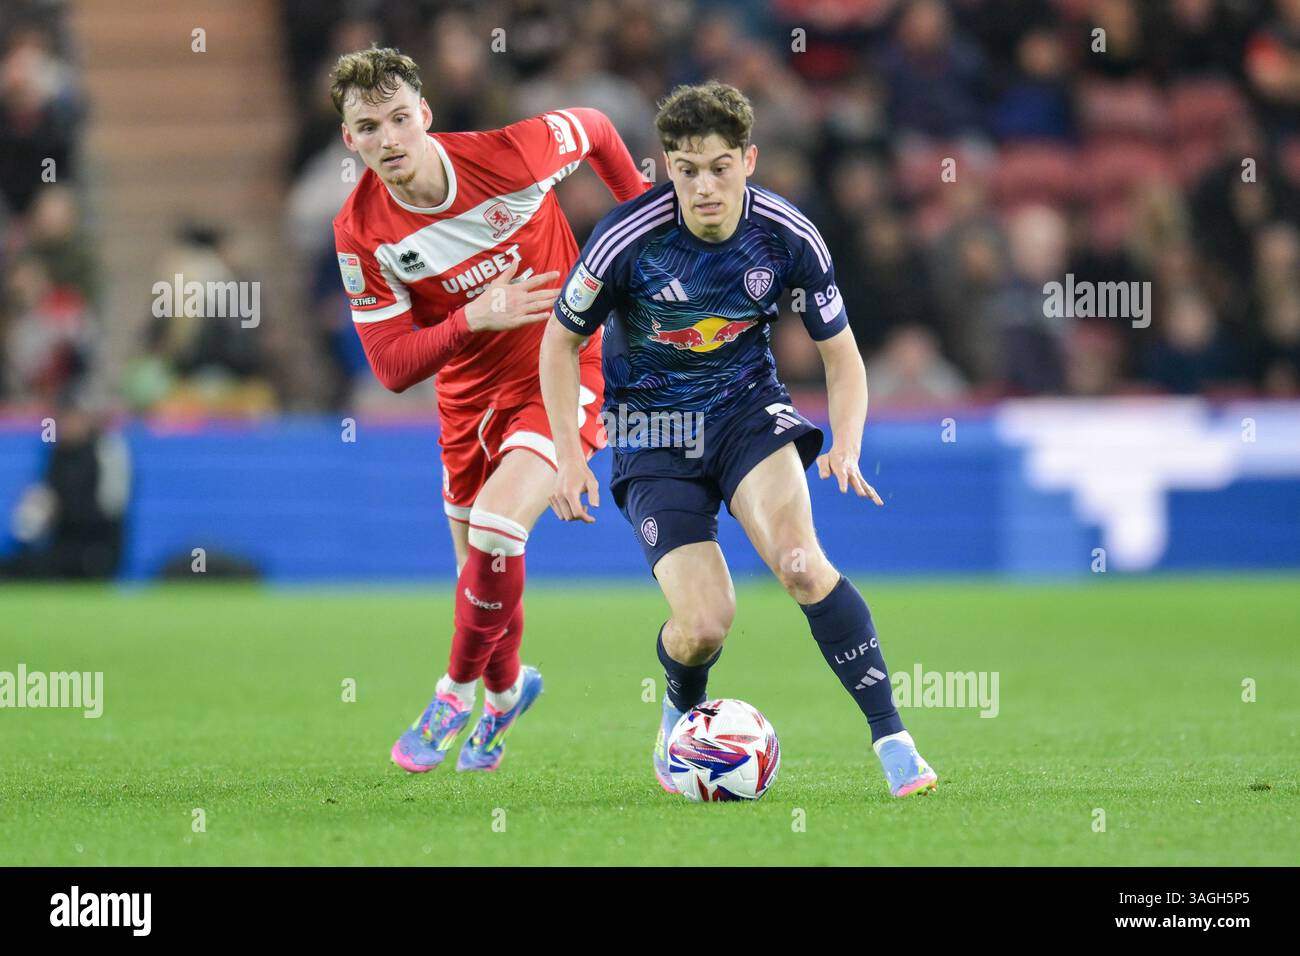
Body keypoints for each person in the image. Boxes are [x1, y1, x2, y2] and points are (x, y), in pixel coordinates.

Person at [539, 81, 938, 798]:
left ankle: (894, 741)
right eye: (687, 170)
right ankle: (679, 710)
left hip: (746, 413)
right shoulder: (626, 237)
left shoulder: (788, 235)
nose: (705, 186)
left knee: (800, 565)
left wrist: (845, 444)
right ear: (666, 168)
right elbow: (559, 344)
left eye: (720, 167)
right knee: (703, 625)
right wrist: (570, 456)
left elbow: (842, 356)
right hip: (654, 432)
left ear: (749, 160)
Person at [330, 46, 648, 773]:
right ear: (350, 139)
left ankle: (451, 696)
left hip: (560, 370)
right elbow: (390, 367)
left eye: (399, 119)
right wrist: (477, 316)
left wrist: (639, 224)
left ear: (425, 116)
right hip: (466, 402)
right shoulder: (360, 232)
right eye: (369, 127)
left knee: (500, 528)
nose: (388, 140)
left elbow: (597, 126)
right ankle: (505, 700)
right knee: (481, 573)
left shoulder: (512, 154)